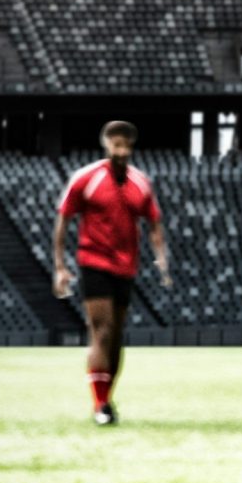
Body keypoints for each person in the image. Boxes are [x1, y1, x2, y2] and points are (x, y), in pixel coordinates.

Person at [51, 121, 172, 428]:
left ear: (131, 148)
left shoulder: (141, 183)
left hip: (126, 267)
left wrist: (161, 258)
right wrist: (61, 266)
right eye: (115, 145)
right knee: (102, 332)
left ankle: (106, 398)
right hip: (93, 262)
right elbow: (63, 221)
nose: (120, 151)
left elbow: (154, 223)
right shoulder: (86, 179)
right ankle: (100, 404)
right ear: (106, 146)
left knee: (116, 338)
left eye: (125, 146)